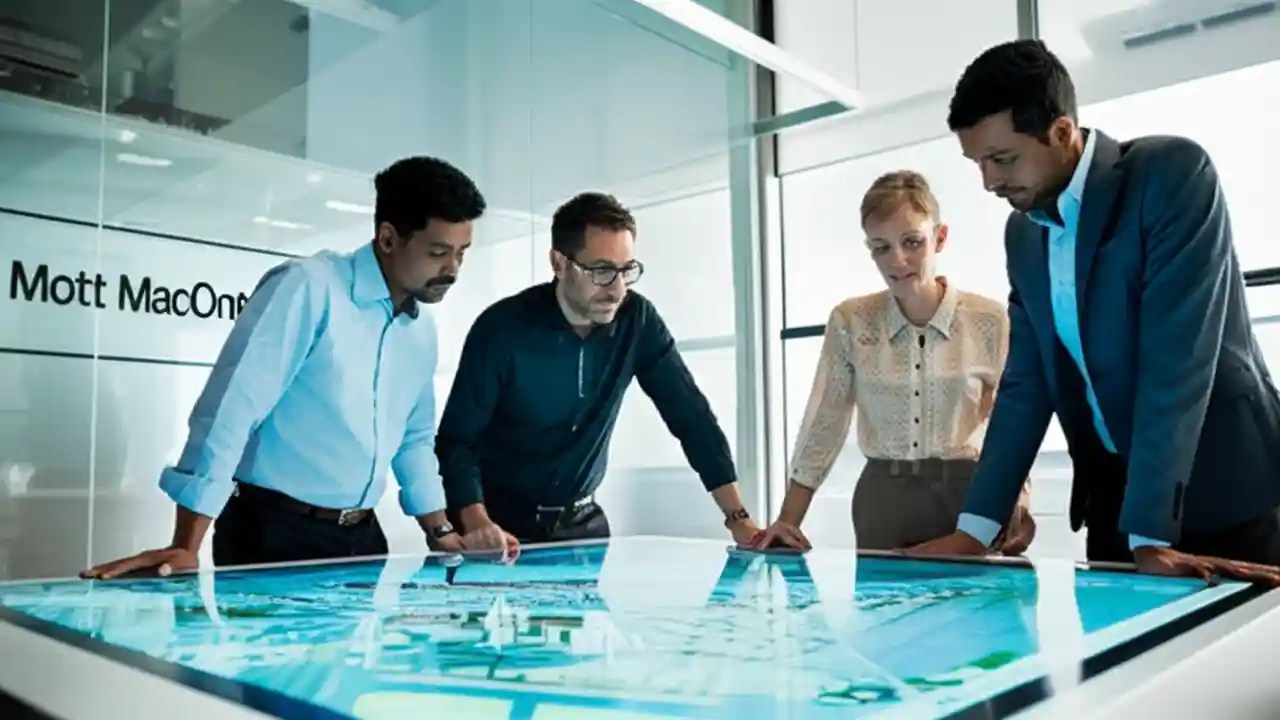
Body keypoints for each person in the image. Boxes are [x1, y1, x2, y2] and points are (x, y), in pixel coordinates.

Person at [908, 39, 1280, 585]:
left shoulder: (1171, 175)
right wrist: (976, 529)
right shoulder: (1023, 234)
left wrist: (1152, 536)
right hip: (1117, 508)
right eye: (978, 163)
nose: (988, 181)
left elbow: (1175, 362)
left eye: (1002, 158)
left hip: (1228, 490)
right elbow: (1026, 384)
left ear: (1062, 133)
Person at [82, 156, 509, 580]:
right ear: (388, 238)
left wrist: (441, 532)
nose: (452, 269)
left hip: (362, 539)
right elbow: (231, 410)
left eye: (461, 254)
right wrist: (185, 545)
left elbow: (413, 441)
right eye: (438, 252)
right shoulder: (308, 288)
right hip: (271, 534)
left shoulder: (420, 329)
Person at [434, 191, 775, 548]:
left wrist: (740, 521)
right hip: (498, 528)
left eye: (626, 271)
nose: (617, 288)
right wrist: (476, 523)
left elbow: (691, 417)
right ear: (559, 263)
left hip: (583, 529)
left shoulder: (637, 320)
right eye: (601, 271)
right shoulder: (502, 329)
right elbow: (458, 441)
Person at [752, 171, 1035, 553]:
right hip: (882, 503)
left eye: (912, 242)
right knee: (882, 613)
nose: (897, 260)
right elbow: (824, 422)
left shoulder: (990, 320)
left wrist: (1019, 501)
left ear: (940, 238)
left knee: (977, 612)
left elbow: (1015, 423)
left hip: (972, 501)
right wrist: (787, 521)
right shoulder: (850, 321)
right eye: (881, 247)